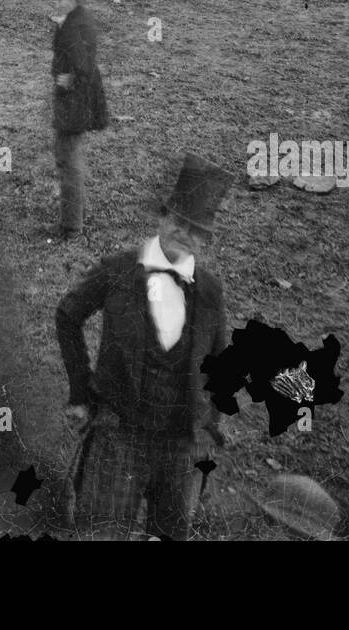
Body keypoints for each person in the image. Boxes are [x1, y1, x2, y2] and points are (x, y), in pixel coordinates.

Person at [56, 155, 232, 540]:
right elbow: (68, 316)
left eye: (195, 229)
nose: (183, 233)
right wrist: (80, 394)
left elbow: (221, 365)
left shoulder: (210, 291)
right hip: (119, 438)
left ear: (205, 239)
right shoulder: (117, 271)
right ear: (162, 217)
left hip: (181, 447)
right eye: (177, 221)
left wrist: (209, 431)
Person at [50, 0, 108, 238]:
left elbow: (82, 64)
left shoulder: (74, 25)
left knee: (68, 159)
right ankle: (73, 213)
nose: (58, 2)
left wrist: (68, 78)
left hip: (75, 99)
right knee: (67, 155)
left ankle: (72, 225)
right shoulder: (78, 18)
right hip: (78, 97)